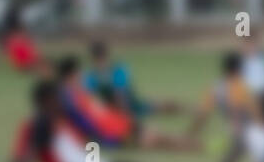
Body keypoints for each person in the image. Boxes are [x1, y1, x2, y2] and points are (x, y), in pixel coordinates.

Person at [5, 81, 213, 162]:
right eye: (58, 98)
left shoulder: (60, 121)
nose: (63, 101)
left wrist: (97, 161)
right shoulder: (40, 124)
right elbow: (23, 161)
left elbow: (87, 143)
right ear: (45, 101)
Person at [57, 56, 199, 152]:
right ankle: (191, 144)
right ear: (72, 74)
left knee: (154, 133)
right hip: (110, 134)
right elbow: (85, 124)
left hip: (119, 124)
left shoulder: (78, 92)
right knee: (153, 138)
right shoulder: (69, 96)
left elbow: (99, 111)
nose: (81, 75)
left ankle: (189, 142)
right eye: (78, 72)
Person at [84, 41, 184, 117]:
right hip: (109, 109)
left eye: (102, 59)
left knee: (159, 107)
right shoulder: (91, 76)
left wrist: (124, 115)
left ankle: (184, 108)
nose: (101, 63)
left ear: (107, 57)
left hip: (131, 104)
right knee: (156, 106)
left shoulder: (118, 70)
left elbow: (120, 94)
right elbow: (89, 98)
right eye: (98, 60)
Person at [188, 52, 259, 140]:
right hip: (249, 129)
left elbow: (202, 114)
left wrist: (191, 133)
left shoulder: (216, 87)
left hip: (238, 129)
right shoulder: (242, 85)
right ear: (239, 69)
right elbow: (239, 110)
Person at [0, 8, 45, 74]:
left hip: (23, 59)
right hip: (23, 60)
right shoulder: (17, 38)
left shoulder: (16, 38)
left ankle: (29, 66)